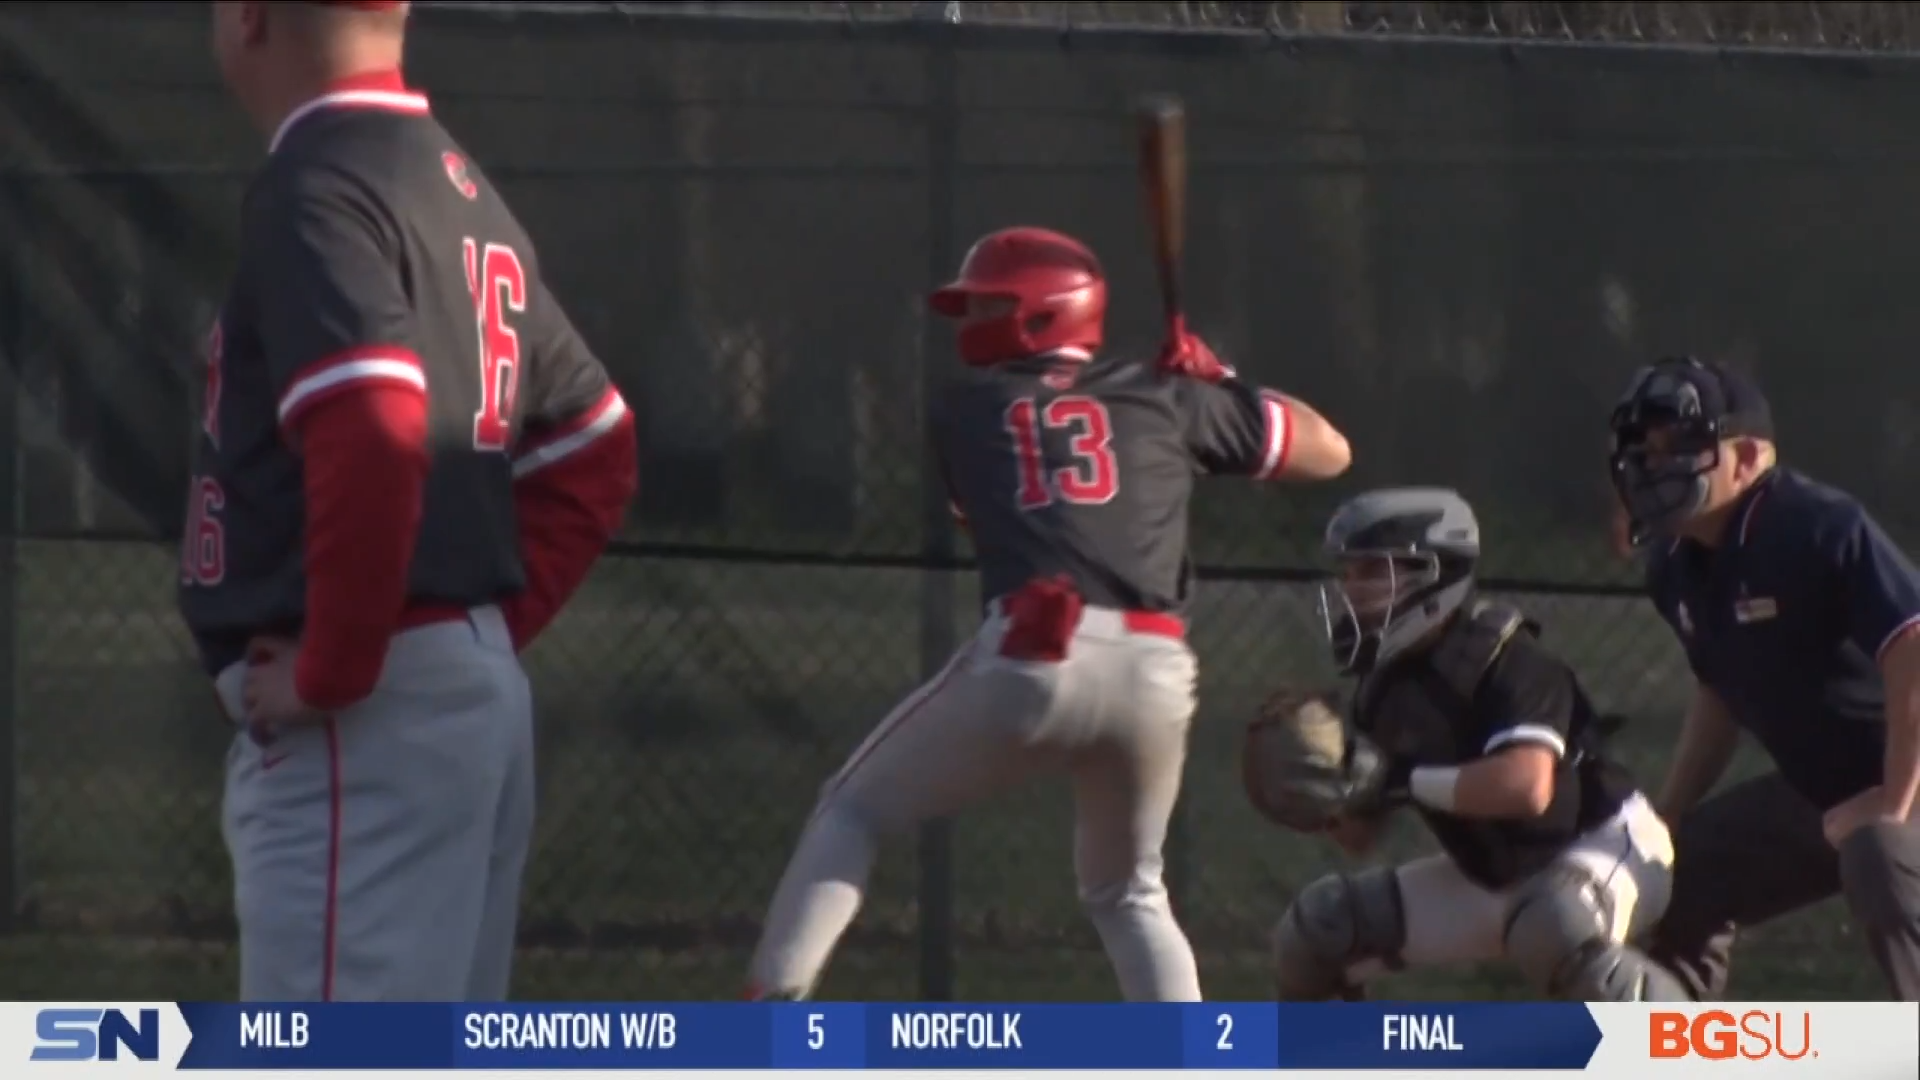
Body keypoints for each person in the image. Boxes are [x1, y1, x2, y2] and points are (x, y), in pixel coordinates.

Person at [743, 225, 1352, 1001]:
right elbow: (1329, 451)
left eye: (990, 305)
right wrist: (1218, 381)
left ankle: (767, 1023)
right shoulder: (1165, 397)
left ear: (1041, 313)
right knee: (1131, 892)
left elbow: (996, 510)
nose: (972, 321)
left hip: (1036, 654)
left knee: (851, 808)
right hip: (1157, 673)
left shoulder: (966, 409)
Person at [182, 0, 638, 1000]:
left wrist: (341, 665)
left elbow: (376, 425)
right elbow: (595, 442)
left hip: (362, 721)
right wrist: (472, 636)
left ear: (250, 18)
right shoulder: (452, 183)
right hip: (444, 697)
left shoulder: (319, 180)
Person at [1249, 487, 1688, 1001]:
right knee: (1318, 931)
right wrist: (1328, 795)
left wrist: (1399, 778)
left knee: (1552, 925)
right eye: (1348, 574)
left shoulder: (1508, 659)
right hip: (1497, 881)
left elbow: (1526, 789)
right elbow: (1360, 837)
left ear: (1433, 574)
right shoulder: (1382, 689)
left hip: (1603, 844)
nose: (1351, 590)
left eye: (1371, 572)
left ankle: (1691, 1045)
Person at [1609, 356, 1920, 1000]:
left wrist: (1895, 801)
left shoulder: (1815, 525)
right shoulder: (1674, 562)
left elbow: (1912, 644)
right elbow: (1719, 689)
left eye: (1679, 446)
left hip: (1904, 779)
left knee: (1879, 854)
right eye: (1646, 449)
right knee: (1676, 869)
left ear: (1748, 457)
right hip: (1823, 795)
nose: (1654, 466)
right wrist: (1669, 815)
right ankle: (1671, 1041)